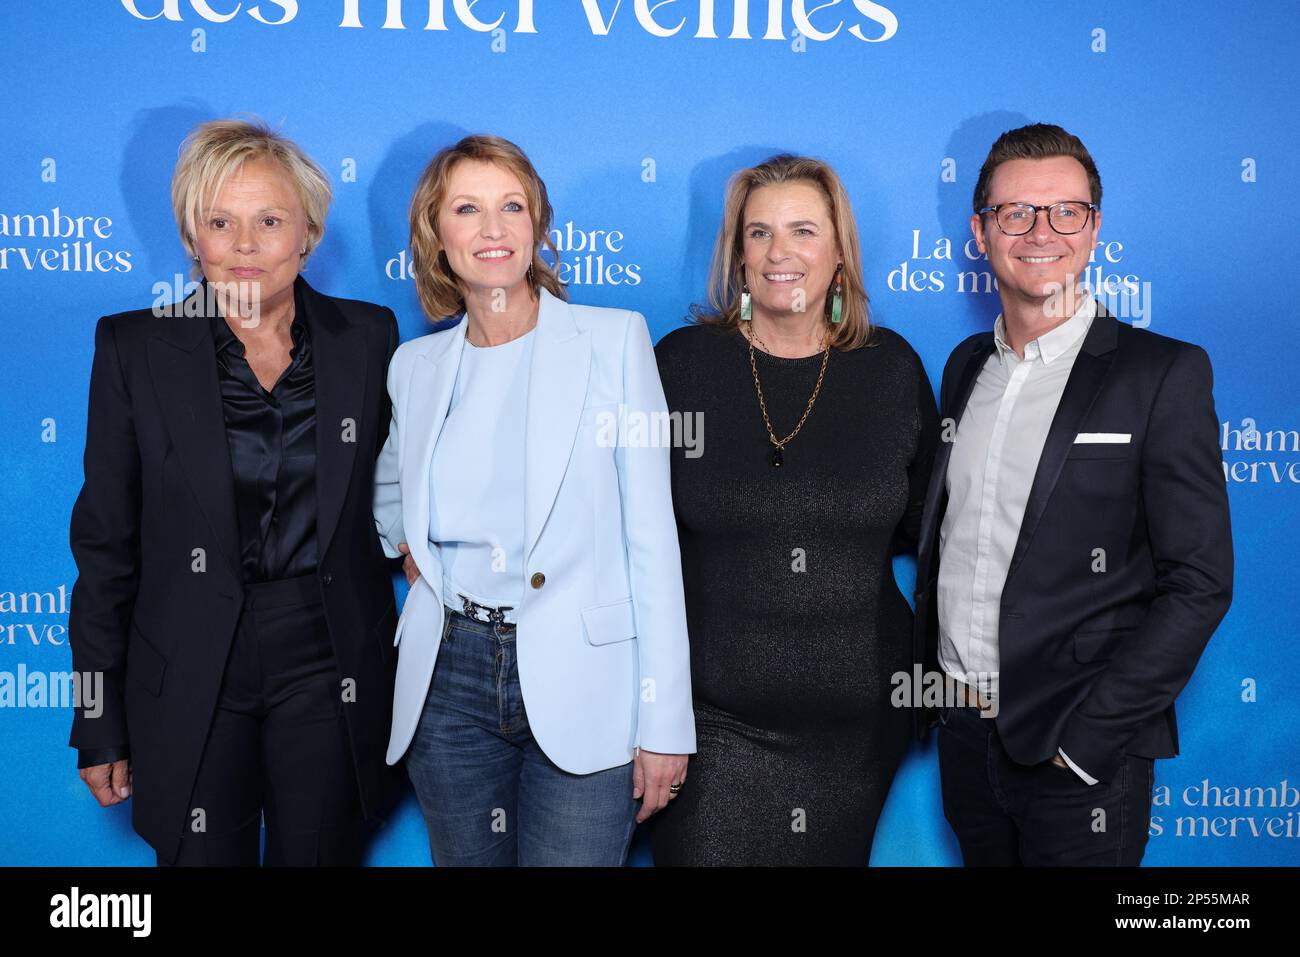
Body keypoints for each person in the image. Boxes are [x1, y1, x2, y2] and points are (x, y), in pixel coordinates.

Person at [68, 118, 401, 865]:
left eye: (270, 221)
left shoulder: (368, 338)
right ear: (193, 238)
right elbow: (104, 549)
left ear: (308, 234)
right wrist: (97, 719)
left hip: (328, 662)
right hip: (189, 662)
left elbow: (407, 488)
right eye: (220, 222)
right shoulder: (134, 348)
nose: (245, 245)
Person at [914, 123, 1233, 866]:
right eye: (1016, 212)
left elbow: (1201, 582)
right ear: (980, 230)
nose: (1041, 232)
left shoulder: (1162, 375)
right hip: (966, 742)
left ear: (1094, 228)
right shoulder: (966, 367)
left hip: (1080, 757)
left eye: (1066, 211)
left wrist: (1088, 743)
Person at [373, 134, 695, 866]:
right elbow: (392, 484)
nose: (493, 229)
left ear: (538, 224)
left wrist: (665, 720)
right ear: (436, 235)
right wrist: (412, 551)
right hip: (448, 680)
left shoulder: (614, 342)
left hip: (587, 679)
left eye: (511, 206)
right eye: (468, 209)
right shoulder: (414, 365)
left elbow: (652, 539)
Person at [650, 154, 939, 865]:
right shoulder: (682, 365)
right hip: (712, 724)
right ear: (738, 257)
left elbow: (937, 532)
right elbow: (627, 532)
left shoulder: (891, 370)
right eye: (760, 233)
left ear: (838, 252)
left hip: (856, 731)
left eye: (804, 230)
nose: (781, 253)